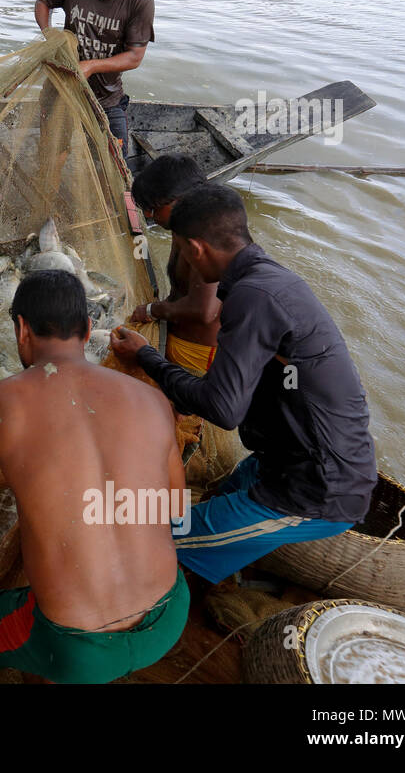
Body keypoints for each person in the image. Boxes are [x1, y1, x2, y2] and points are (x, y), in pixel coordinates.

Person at [0, 271, 189, 683]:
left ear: (22, 329)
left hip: (76, 648)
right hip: (169, 617)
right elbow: (178, 509)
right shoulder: (152, 399)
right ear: (88, 329)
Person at [109, 184, 378, 583]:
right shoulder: (265, 278)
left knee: (151, 541)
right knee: (215, 498)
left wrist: (148, 358)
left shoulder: (253, 296)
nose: (184, 261)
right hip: (282, 458)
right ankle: (220, 553)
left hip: (313, 490)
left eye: (181, 251)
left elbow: (223, 410)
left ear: (196, 249)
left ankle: (175, 584)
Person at [34, 0, 154, 156]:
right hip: (62, 86)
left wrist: (91, 66)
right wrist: (49, 33)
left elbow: (134, 57)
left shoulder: (140, 0)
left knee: (114, 163)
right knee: (52, 153)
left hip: (106, 97)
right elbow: (43, 3)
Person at [128, 154, 221, 376]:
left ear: (181, 199)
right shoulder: (180, 226)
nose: (149, 215)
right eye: (146, 208)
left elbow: (205, 311)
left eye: (155, 207)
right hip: (174, 339)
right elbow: (180, 292)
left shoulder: (207, 235)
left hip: (198, 359)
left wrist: (151, 310)